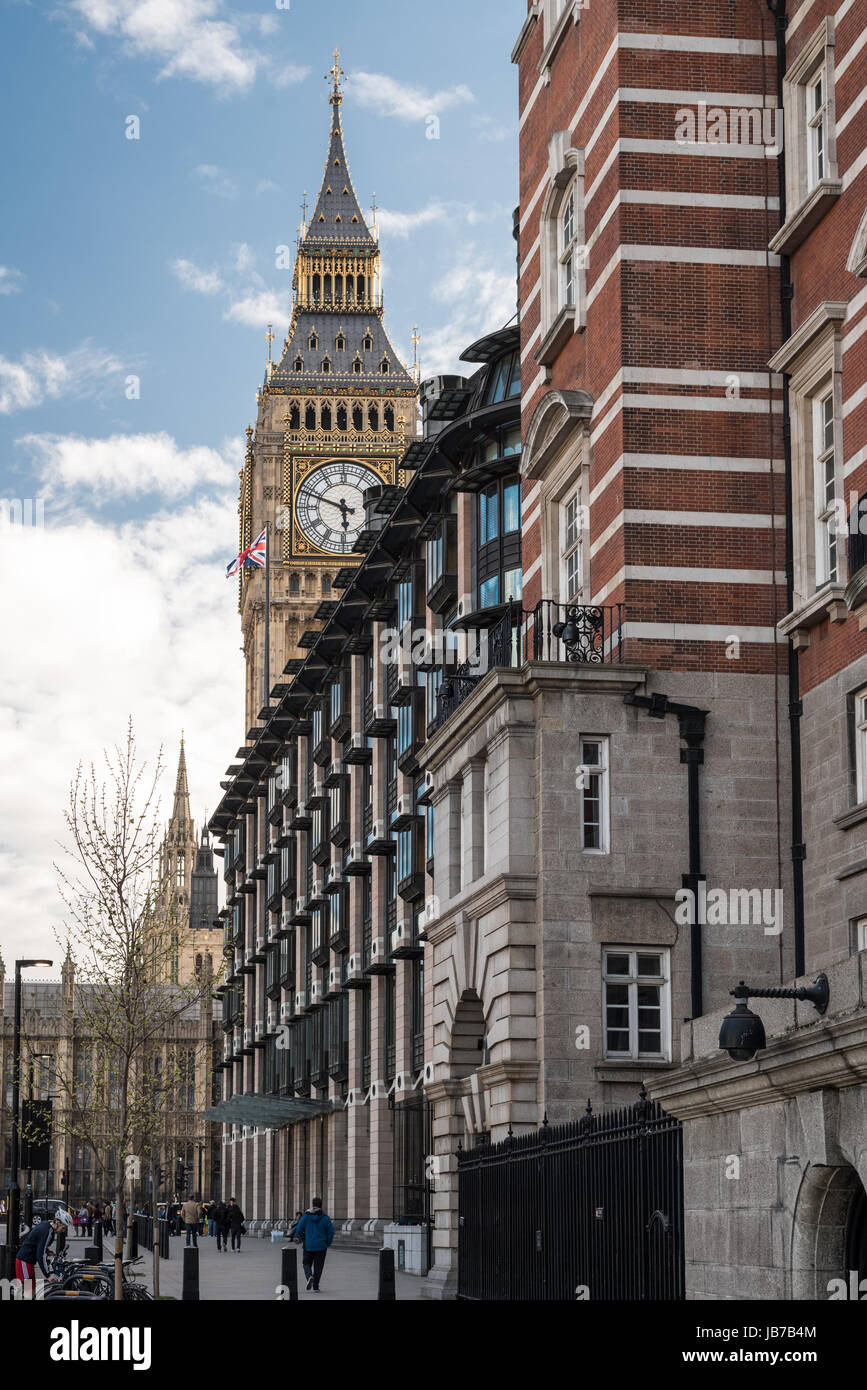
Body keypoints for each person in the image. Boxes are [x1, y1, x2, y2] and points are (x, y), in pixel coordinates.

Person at [15, 1216, 64, 1297]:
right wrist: (48, 1275)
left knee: (31, 1290)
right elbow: (41, 1255)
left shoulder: (46, 1225)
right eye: (63, 1228)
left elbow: (37, 1242)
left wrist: (47, 1251)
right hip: (24, 1261)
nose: (63, 1231)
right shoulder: (47, 1231)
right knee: (28, 1291)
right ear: (58, 1222)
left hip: (27, 1261)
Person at [294, 1198, 334, 1292]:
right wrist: (327, 1243)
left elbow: (299, 1229)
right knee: (318, 1266)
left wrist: (303, 1240)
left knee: (306, 1263)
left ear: (312, 1204)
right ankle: (316, 1287)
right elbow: (330, 1232)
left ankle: (309, 1277)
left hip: (309, 1245)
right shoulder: (325, 1218)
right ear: (321, 1205)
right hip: (321, 1246)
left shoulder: (305, 1216)